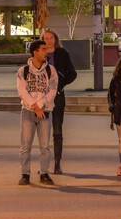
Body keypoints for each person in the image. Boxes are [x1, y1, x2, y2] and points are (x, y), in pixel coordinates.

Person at [16, 38, 58, 186]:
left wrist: (41, 105)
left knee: (45, 146)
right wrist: (35, 106)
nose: (46, 52)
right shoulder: (23, 71)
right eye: (43, 49)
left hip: (45, 111)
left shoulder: (50, 70)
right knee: (25, 145)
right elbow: (22, 91)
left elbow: (53, 90)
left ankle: (44, 173)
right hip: (28, 111)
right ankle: (25, 174)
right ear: (35, 52)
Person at [42, 29, 78, 175]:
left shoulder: (62, 53)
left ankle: (57, 163)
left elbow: (73, 74)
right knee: (43, 132)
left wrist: (60, 84)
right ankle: (44, 165)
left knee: (57, 131)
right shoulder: (39, 53)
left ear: (55, 39)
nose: (48, 40)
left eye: (51, 38)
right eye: (45, 38)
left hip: (58, 96)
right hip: (41, 98)